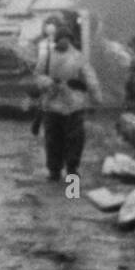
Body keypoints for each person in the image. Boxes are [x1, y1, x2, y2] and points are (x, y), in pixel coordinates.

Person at [35, 22, 100, 181]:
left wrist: (96, 96)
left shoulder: (78, 57)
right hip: (52, 104)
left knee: (75, 139)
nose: (64, 41)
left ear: (70, 40)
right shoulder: (47, 57)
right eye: (61, 38)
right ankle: (54, 170)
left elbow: (89, 77)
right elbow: (38, 76)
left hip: (74, 104)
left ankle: (72, 171)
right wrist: (48, 82)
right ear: (57, 40)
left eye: (67, 38)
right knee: (53, 139)